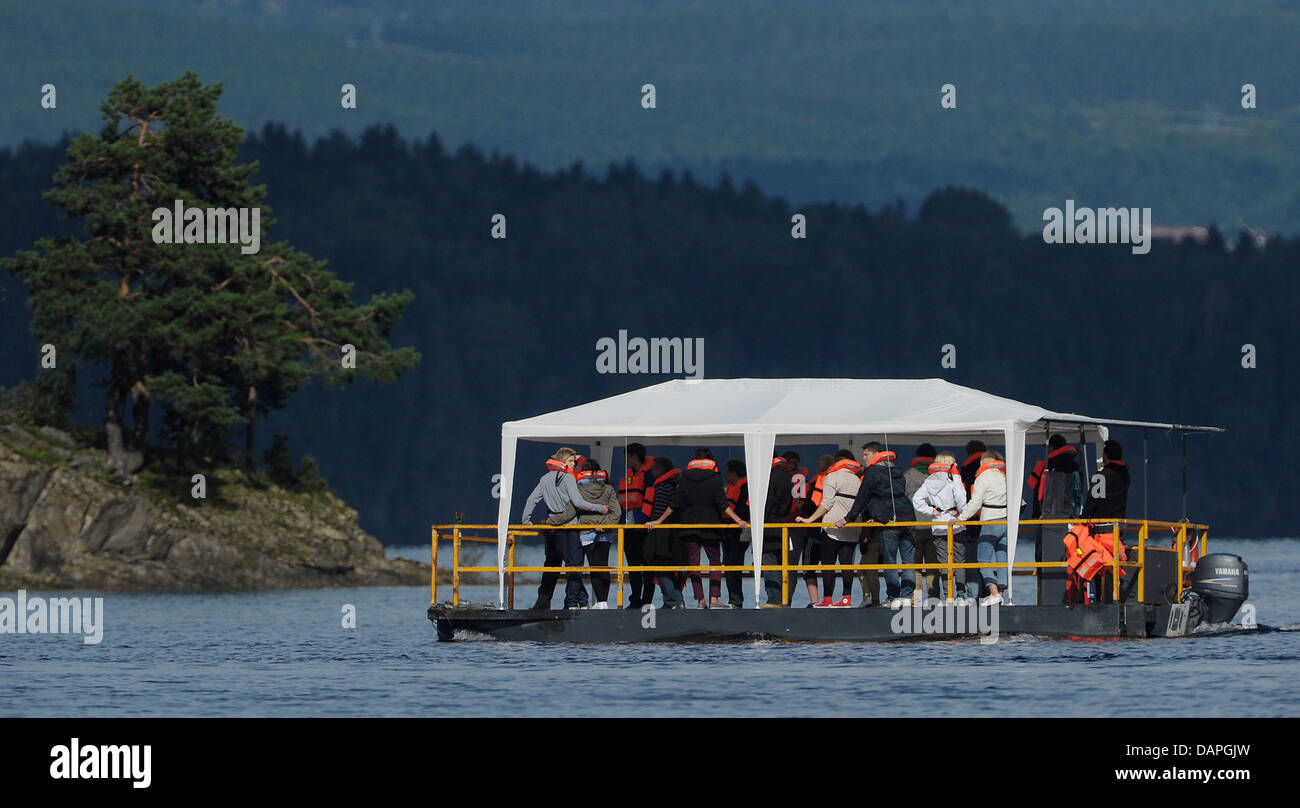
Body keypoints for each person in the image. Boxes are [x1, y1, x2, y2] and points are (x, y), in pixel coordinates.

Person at [651, 449, 746, 608]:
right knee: (715, 561)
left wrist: (659, 520)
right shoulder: (715, 478)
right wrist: (738, 519)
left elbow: (675, 502)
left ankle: (700, 601)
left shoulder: (684, 477)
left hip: (689, 525)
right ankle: (714, 599)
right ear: (710, 461)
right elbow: (723, 503)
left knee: (694, 563)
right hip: (711, 525)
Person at [521, 447, 611, 609]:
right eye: (571, 461)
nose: (574, 464)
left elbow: (531, 500)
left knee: (552, 564)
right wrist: (599, 508)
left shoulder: (544, 479)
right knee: (574, 565)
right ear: (562, 461)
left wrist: (526, 521)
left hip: (552, 527)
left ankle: (546, 601)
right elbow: (577, 503)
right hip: (570, 526)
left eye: (575, 461)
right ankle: (574, 603)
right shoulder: (569, 478)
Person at [842, 442, 917, 609]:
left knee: (890, 560)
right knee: (909, 561)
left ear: (875, 454)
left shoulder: (873, 472)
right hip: (908, 517)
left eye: (866, 454)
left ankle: (892, 596)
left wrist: (848, 518)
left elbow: (863, 497)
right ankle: (907, 597)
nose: (863, 458)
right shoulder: (897, 471)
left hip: (888, 520)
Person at [796, 449, 863, 607]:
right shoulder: (857, 479)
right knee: (847, 563)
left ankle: (827, 600)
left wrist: (809, 520)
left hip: (832, 527)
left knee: (828, 564)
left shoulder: (832, 477)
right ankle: (846, 598)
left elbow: (826, 503)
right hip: (852, 527)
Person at [911, 453, 970, 603]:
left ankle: (947, 596)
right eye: (954, 463)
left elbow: (916, 500)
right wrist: (959, 510)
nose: (956, 466)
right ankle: (961, 596)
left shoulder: (929, 481)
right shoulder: (954, 479)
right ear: (949, 464)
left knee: (944, 564)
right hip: (955, 525)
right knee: (959, 562)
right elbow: (962, 500)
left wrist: (932, 511)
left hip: (938, 526)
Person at [958, 449, 1009, 606]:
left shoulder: (983, 476)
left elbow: (975, 502)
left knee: (983, 559)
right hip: (1006, 522)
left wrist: (960, 518)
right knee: (1002, 561)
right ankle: (1001, 594)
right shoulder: (1006, 476)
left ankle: (993, 593)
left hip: (990, 522)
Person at [1082, 439, 1130, 604]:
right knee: (1114, 564)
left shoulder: (1102, 476)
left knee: (1099, 565)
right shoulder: (1124, 474)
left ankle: (1101, 601)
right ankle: (1115, 597)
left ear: (1106, 456)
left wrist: (1082, 519)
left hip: (1103, 529)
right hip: (1119, 526)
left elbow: (1092, 501)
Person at [573, 460, 622, 608]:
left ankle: (599, 602)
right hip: (605, 534)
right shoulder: (608, 489)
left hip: (587, 533)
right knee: (604, 566)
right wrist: (605, 524)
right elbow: (617, 512)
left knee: (594, 567)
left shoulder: (578, 489)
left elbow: (573, 511)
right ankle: (603, 602)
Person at [618, 443, 658, 608]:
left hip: (645, 529)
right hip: (628, 530)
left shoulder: (649, 476)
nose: (625, 460)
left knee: (648, 567)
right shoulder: (629, 475)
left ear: (635, 456)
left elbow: (652, 501)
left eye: (627, 456)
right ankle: (635, 600)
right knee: (633, 567)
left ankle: (646, 601)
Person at [642, 456, 685, 607]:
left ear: (660, 470)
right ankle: (674, 600)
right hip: (676, 533)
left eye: (654, 469)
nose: (652, 472)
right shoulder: (677, 484)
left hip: (663, 533)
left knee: (660, 564)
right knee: (670, 567)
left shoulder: (663, 486)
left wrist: (654, 524)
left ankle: (673, 600)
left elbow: (659, 509)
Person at [789, 454, 830, 605]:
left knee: (807, 567)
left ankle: (815, 601)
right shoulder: (833, 480)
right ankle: (828, 600)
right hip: (832, 532)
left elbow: (811, 504)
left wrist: (801, 507)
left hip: (814, 532)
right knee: (829, 567)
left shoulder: (813, 482)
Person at [904, 443, 938, 602]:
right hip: (935, 527)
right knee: (933, 566)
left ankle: (915, 600)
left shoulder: (908, 475)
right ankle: (933, 599)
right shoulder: (938, 476)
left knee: (914, 566)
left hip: (914, 527)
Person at [760, 454, 796, 607]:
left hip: (770, 525)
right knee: (783, 564)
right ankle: (784, 599)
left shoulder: (770, 477)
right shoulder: (786, 476)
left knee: (770, 562)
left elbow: (768, 502)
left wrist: (760, 519)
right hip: (783, 524)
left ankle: (774, 599)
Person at [723, 459, 750, 608]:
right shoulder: (731, 487)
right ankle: (734, 599)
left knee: (733, 563)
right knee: (730, 564)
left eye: (727, 472)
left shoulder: (745, 487)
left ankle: (736, 600)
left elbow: (743, 510)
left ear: (733, 473)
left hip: (739, 531)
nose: (725, 475)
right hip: (730, 531)